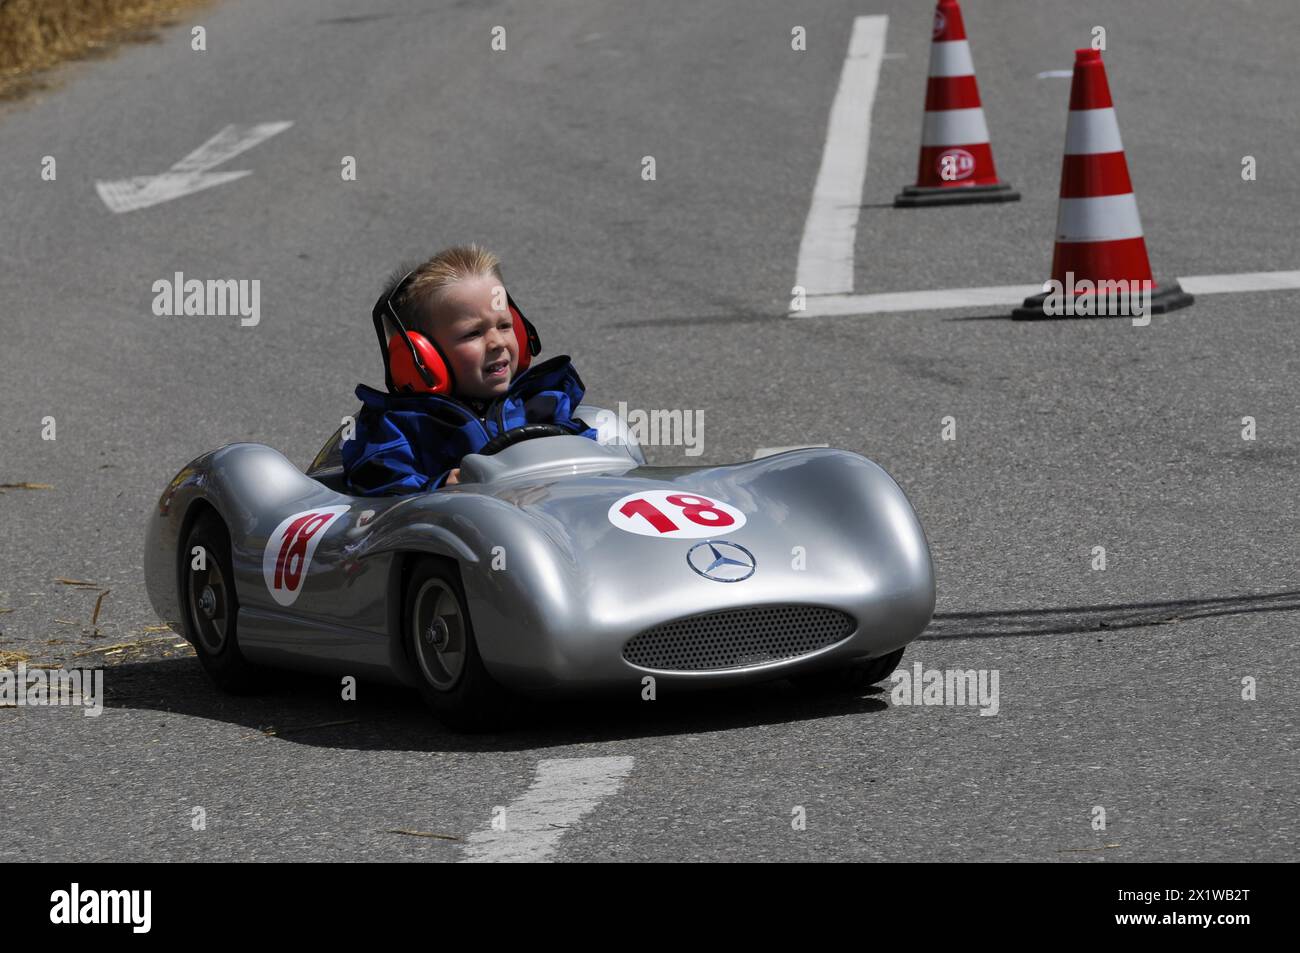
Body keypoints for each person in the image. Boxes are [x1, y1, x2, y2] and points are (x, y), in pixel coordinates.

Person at [341, 244, 598, 495]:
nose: (497, 342)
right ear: (420, 357)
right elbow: (377, 487)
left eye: (505, 325)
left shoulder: (545, 400)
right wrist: (438, 487)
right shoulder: (399, 428)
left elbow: (594, 467)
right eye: (473, 333)